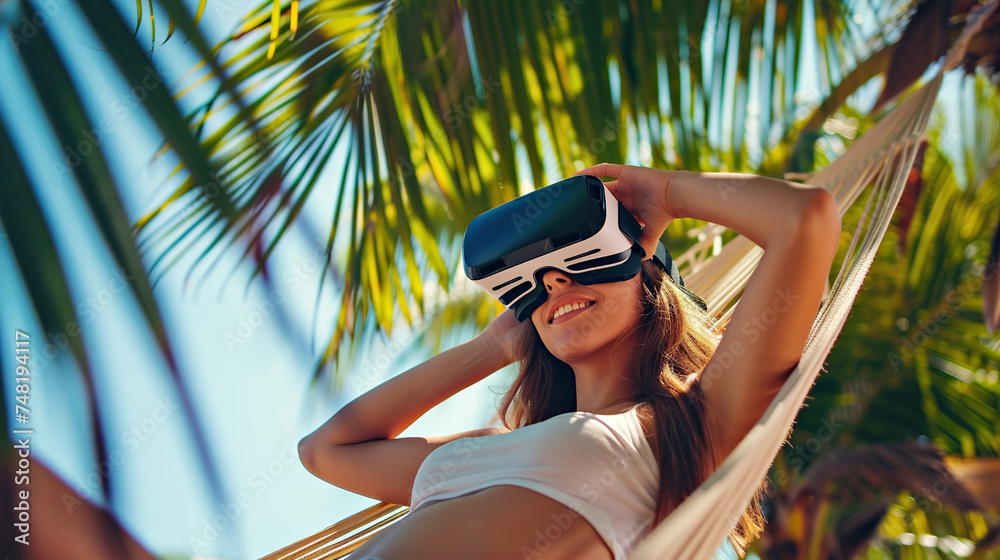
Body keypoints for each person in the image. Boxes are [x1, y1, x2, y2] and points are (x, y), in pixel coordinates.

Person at [297, 163, 842, 560]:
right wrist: (490, 347)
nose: (554, 280)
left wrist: (667, 192)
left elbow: (806, 220)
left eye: (583, 260)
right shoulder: (491, 447)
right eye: (532, 279)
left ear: (651, 281)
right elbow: (324, 450)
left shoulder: (692, 426)